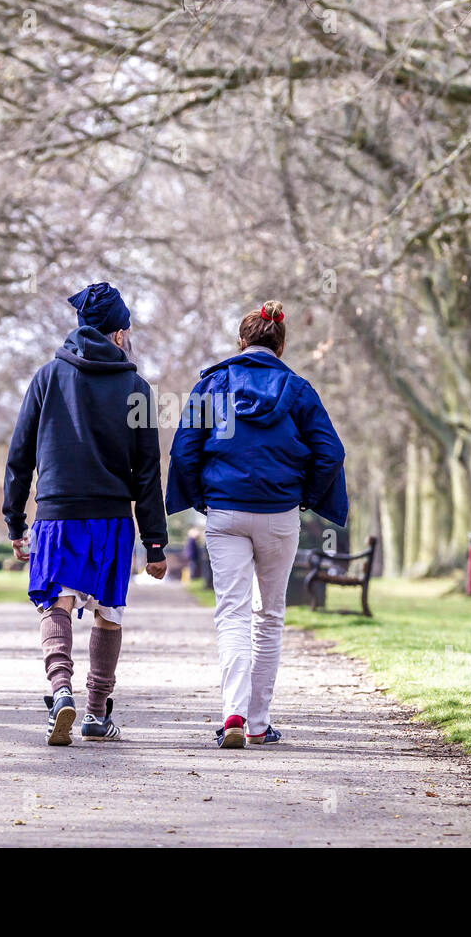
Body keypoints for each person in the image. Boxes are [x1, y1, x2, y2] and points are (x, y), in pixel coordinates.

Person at [166, 299, 346, 749]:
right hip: (280, 514)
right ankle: (259, 723)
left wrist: (202, 498)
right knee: (269, 615)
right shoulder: (299, 391)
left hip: (226, 511)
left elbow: (184, 450)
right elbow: (331, 453)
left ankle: (232, 713)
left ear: (241, 343)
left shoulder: (212, 385)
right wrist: (304, 495)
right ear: (280, 347)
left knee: (231, 612)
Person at [3, 282, 168, 746]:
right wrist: (155, 541)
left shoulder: (47, 378)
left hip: (56, 514)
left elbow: (20, 456)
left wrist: (15, 522)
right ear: (118, 334)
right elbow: (147, 472)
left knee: (57, 600)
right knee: (108, 613)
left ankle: (60, 692)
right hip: (112, 519)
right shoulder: (136, 388)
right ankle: (96, 712)